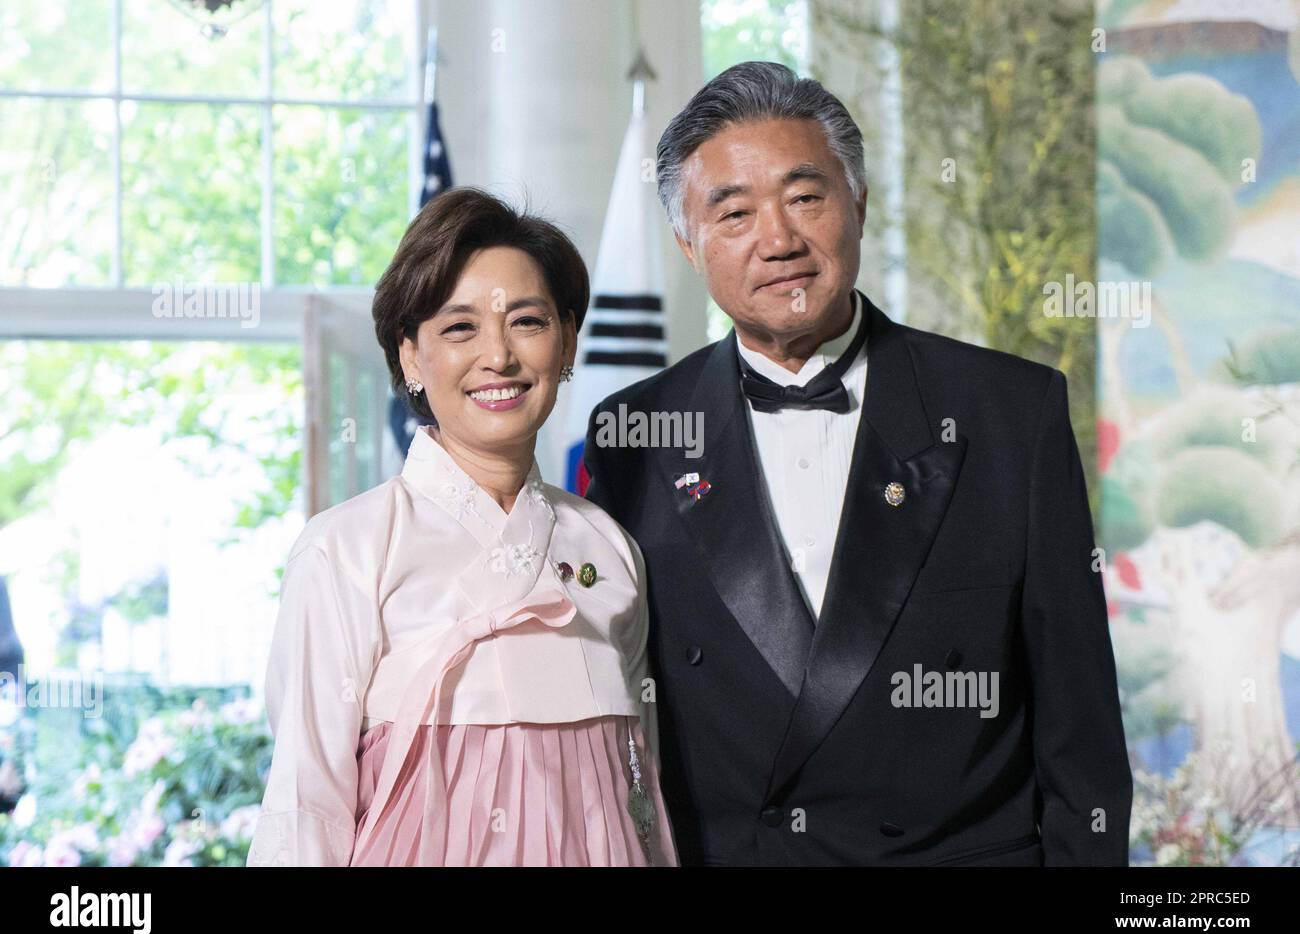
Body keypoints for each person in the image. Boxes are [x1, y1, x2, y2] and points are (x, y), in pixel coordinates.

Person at [583, 61, 1132, 865]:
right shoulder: (633, 430)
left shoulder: (1011, 413)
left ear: (860, 205)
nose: (778, 239)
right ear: (688, 246)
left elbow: (1079, 728)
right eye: (733, 212)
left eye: (806, 197)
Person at [248, 187, 677, 867]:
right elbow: (306, 806)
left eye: (527, 322)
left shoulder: (610, 549)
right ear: (412, 357)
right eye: (459, 328)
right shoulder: (347, 550)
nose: (499, 357)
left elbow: (640, 795)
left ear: (567, 340)